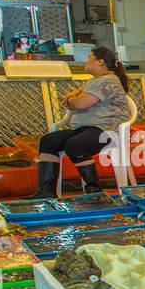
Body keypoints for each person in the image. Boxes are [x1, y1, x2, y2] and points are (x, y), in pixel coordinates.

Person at [34, 45, 131, 197]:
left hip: (105, 131)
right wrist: (72, 98)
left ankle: (94, 191)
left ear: (99, 62)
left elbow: (79, 104)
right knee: (48, 141)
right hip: (86, 128)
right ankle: (46, 192)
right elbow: (74, 98)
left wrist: (70, 99)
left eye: (89, 58)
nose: (86, 62)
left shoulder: (107, 81)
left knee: (75, 145)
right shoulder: (94, 80)